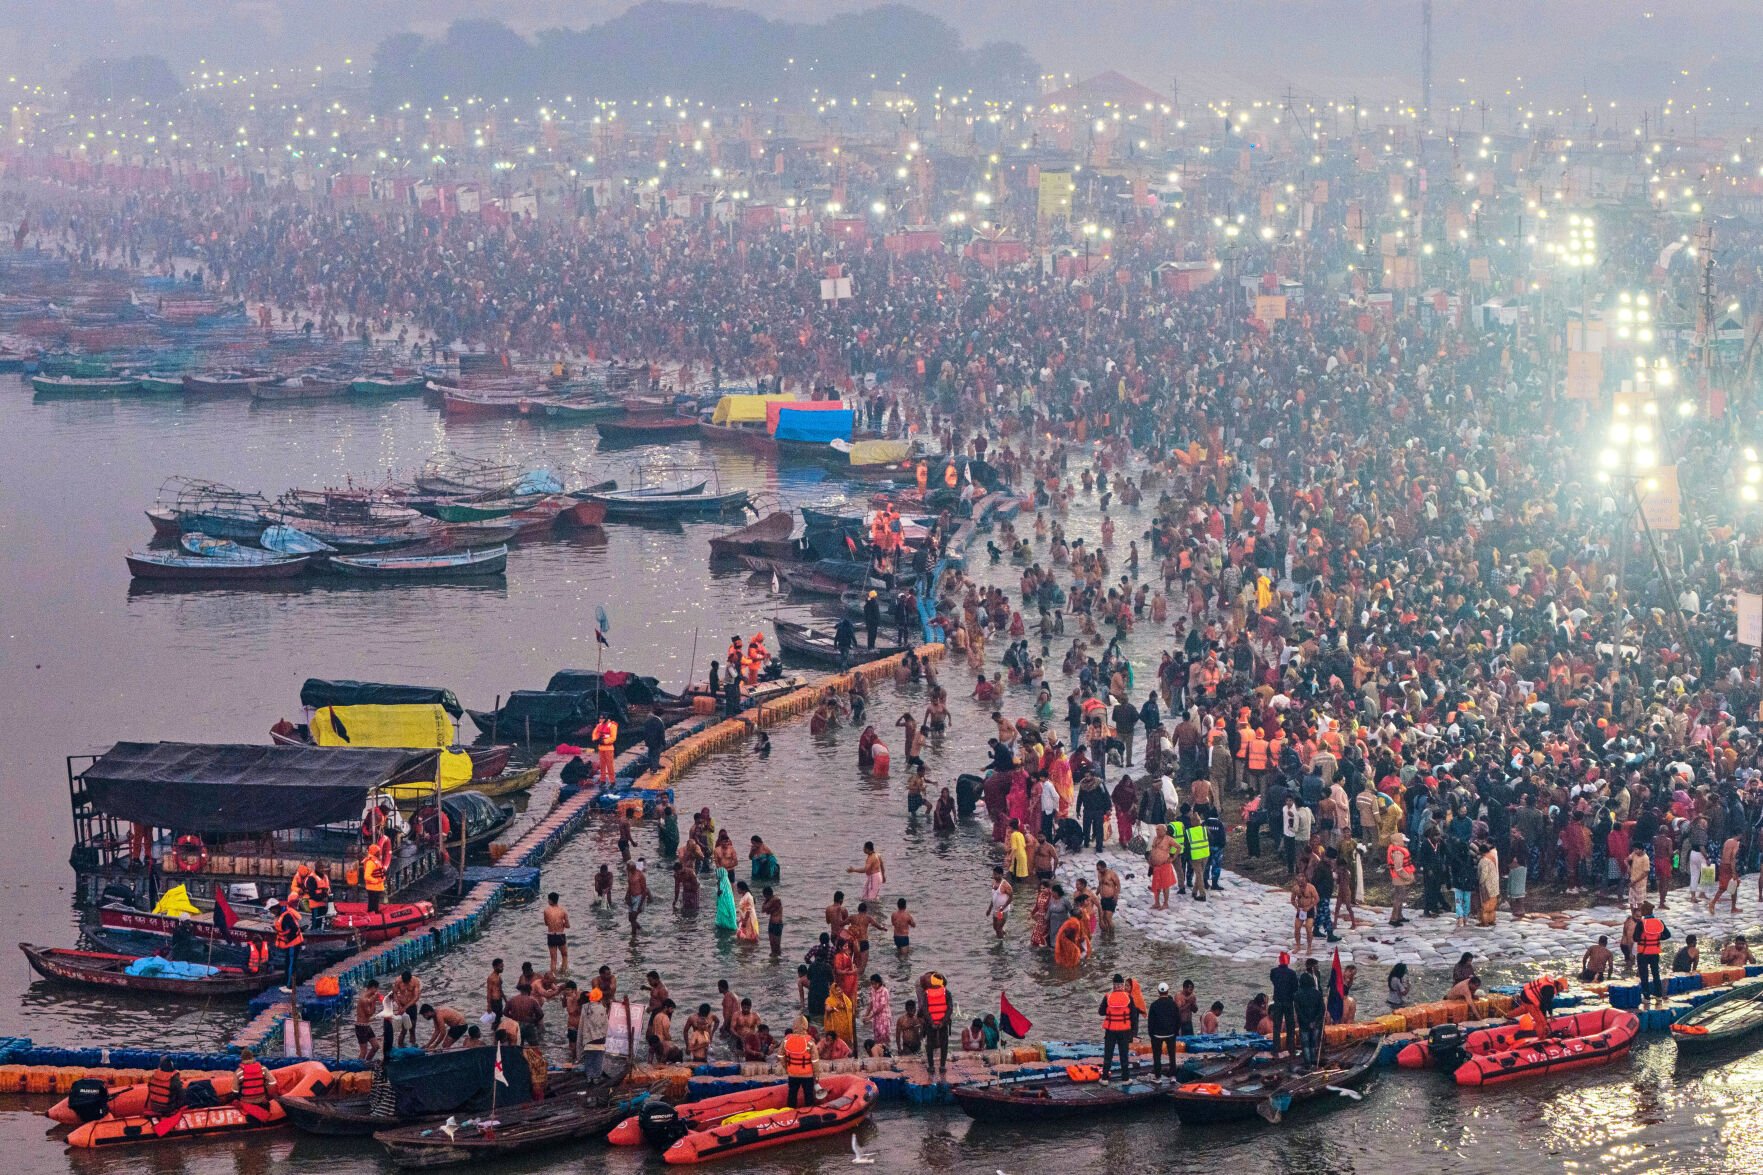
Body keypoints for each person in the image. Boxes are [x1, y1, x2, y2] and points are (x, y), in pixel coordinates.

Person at [1098, 973, 1139, 1081]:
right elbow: (1134, 1016)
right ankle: (1125, 1079)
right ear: (1122, 985)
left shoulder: (1108, 997)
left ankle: (1104, 1079)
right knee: (1124, 1055)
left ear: (1113, 985)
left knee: (1108, 1055)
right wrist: (1133, 1032)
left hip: (1110, 1030)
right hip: (1124, 1030)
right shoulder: (1129, 997)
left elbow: (1101, 1012)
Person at [1636, 901, 1670, 1007]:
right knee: (1656, 974)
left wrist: (1644, 939)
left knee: (1644, 975)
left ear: (1645, 911)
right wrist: (1658, 938)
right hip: (1655, 952)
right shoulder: (1659, 922)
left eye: (1641, 910)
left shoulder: (1641, 923)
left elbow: (1635, 938)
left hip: (1643, 953)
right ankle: (1658, 995)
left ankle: (1646, 998)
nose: (1640, 911)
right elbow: (1667, 935)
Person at [919, 973, 953, 1076]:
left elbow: (925, 1009)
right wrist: (943, 1022)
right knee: (944, 1044)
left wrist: (931, 1022)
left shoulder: (926, 993)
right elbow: (950, 1008)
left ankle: (931, 1066)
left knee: (930, 1044)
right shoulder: (946, 992)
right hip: (943, 1022)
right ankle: (942, 1066)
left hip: (931, 1023)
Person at [230, 1047, 277, 1118]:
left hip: (246, 1101)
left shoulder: (239, 1072)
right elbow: (273, 1082)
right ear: (252, 1057)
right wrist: (267, 1090)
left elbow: (235, 1090)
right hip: (261, 1099)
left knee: (233, 1099)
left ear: (242, 1059)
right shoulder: (263, 1069)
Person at [269, 899, 304, 994]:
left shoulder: (286, 915)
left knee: (292, 964)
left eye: (271, 909)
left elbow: (294, 928)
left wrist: (288, 938)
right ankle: (287, 983)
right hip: (288, 944)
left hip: (294, 943)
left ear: (275, 908)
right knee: (287, 963)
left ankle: (290, 987)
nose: (270, 912)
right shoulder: (281, 914)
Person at [1269, 952, 1299, 1057]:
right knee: (1290, 1026)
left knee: (1276, 1026)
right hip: (1288, 1002)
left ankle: (1276, 1048)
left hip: (1278, 1001)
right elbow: (1295, 987)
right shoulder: (1292, 973)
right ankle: (1291, 1048)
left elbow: (1273, 981)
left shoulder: (1274, 972)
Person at [1147, 982, 1180, 1079]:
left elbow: (1150, 1022)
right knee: (1172, 1055)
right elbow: (1178, 1020)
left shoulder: (1154, 1005)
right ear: (1167, 991)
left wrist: (1151, 1034)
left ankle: (1158, 1077)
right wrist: (1175, 1032)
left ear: (1158, 991)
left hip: (1157, 1035)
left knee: (1157, 1057)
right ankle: (1173, 1076)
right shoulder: (1173, 1004)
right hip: (1170, 1034)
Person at [1294, 972, 1326, 1069]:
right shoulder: (1317, 994)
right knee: (1313, 1043)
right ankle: (1313, 1060)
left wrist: (1307, 1022)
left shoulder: (1297, 995)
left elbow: (1298, 1011)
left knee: (1305, 1044)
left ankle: (1308, 1063)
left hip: (1304, 1024)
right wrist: (1315, 1021)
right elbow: (1322, 1009)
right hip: (1315, 1023)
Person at [781, 1026, 818, 1108]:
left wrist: (786, 1067)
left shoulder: (787, 1040)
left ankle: (790, 1110)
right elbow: (815, 1060)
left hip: (793, 1073)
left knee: (792, 1093)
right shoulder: (810, 1041)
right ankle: (809, 1111)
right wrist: (816, 1075)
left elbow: (780, 1055)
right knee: (808, 1094)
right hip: (807, 1074)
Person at [1386, 833, 1414, 926]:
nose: (1405, 843)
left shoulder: (1398, 850)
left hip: (1399, 878)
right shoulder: (1398, 853)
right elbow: (1399, 869)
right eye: (1404, 841)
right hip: (1399, 878)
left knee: (1400, 897)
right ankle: (1394, 918)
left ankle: (1399, 916)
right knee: (1399, 897)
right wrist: (1408, 877)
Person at [543, 892, 570, 973]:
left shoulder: (546, 910)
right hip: (560, 935)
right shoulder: (563, 911)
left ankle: (553, 976)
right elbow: (568, 925)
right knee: (564, 955)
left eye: (548, 900)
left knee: (553, 959)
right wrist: (563, 924)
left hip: (551, 935)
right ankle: (563, 972)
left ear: (551, 900)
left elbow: (546, 923)